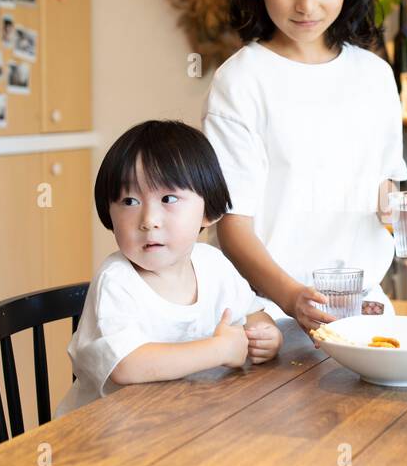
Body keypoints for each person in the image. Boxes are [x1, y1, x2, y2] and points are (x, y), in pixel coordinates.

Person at [203, 0, 407, 334]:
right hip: (268, 317)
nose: (306, 5)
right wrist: (293, 297)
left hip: (360, 313)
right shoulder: (241, 81)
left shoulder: (374, 76)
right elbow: (234, 227)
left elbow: (380, 194)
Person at [57, 120, 282, 416]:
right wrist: (220, 350)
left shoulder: (212, 265)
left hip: (181, 420)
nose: (149, 219)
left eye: (169, 199)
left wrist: (267, 336)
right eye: (129, 200)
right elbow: (127, 366)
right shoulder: (117, 280)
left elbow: (253, 314)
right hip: (107, 437)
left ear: (209, 211)